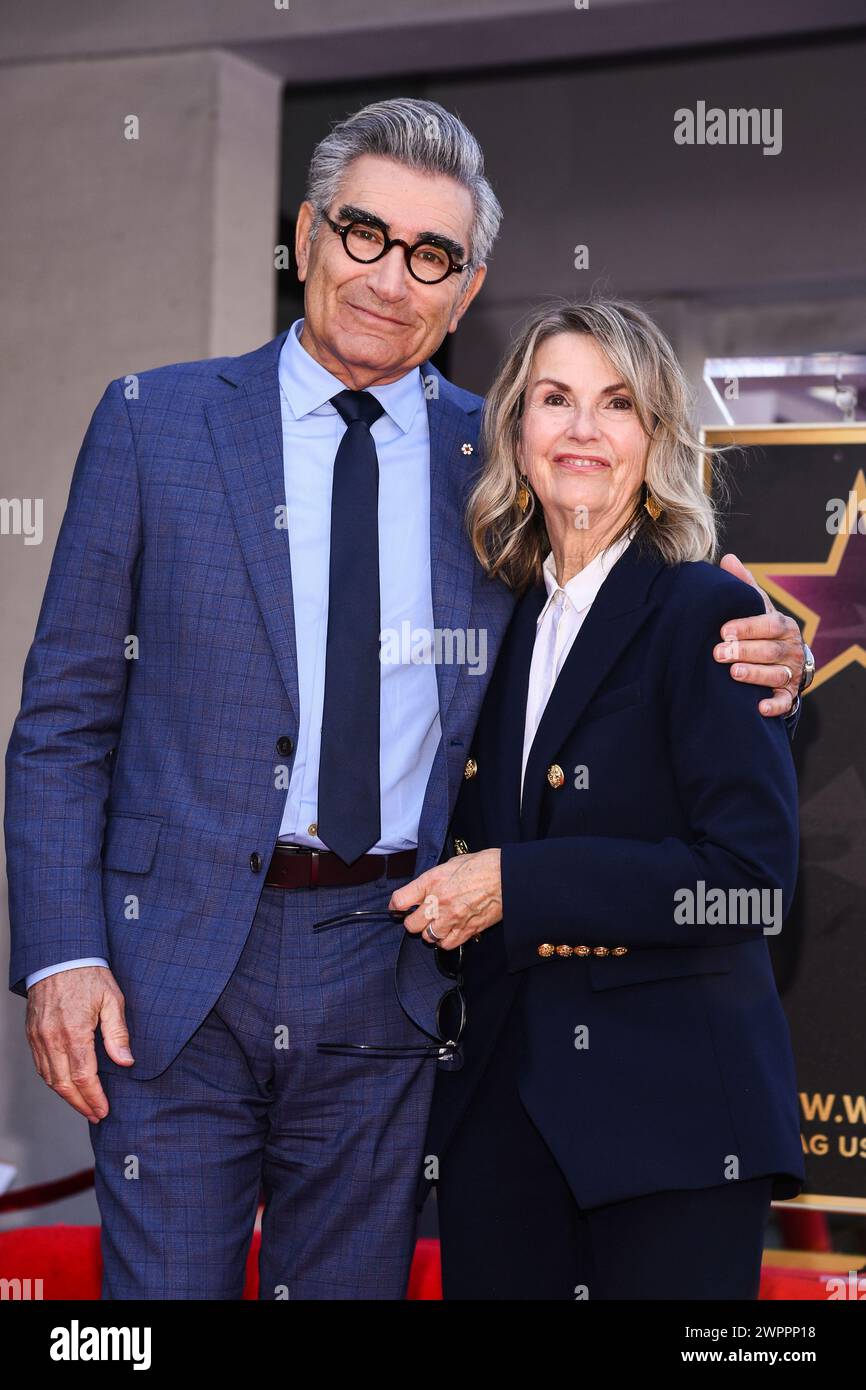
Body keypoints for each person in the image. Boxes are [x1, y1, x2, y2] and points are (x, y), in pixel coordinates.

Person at [5, 102, 805, 1301]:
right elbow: (62, 720)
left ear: (468, 281)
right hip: (166, 973)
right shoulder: (151, 424)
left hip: (393, 962)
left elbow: (625, 641)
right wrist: (61, 951)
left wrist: (770, 661)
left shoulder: (489, 461)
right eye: (363, 234)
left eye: (429, 254)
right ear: (308, 233)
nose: (388, 277)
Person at [393, 300, 807, 1301]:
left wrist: (515, 884)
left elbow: (749, 882)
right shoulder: (500, 619)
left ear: (654, 438)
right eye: (554, 400)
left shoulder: (701, 606)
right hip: (501, 1124)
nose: (582, 429)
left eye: (615, 403)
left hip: (674, 1125)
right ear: (516, 435)